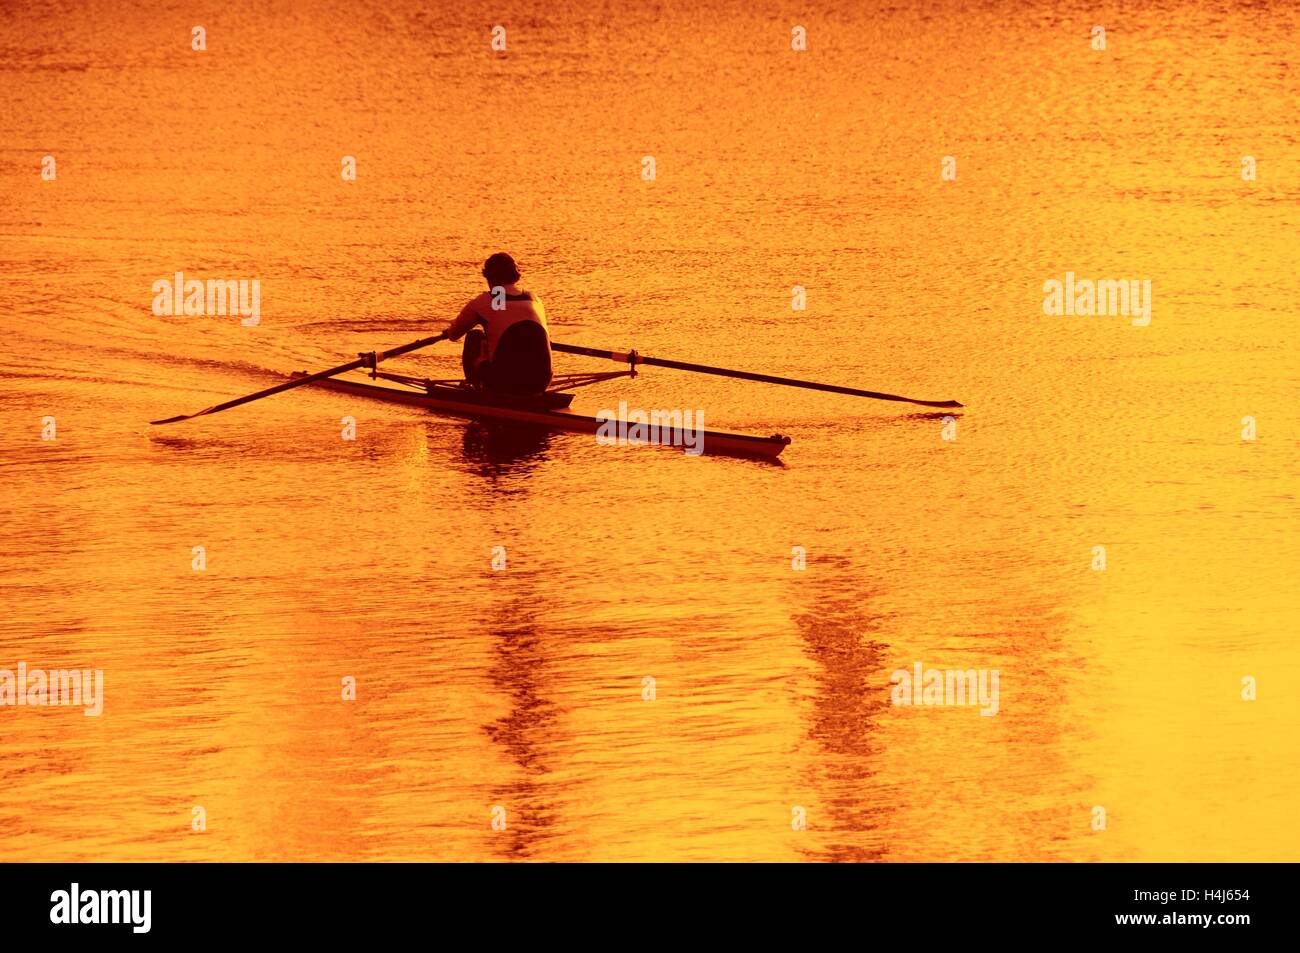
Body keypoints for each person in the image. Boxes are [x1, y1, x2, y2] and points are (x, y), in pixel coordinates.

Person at [444, 253, 552, 395]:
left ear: (488, 277)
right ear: (515, 275)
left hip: (502, 383)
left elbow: (453, 335)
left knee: (474, 336)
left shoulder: (482, 302)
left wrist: (447, 332)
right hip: (541, 382)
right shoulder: (534, 298)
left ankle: (477, 388)